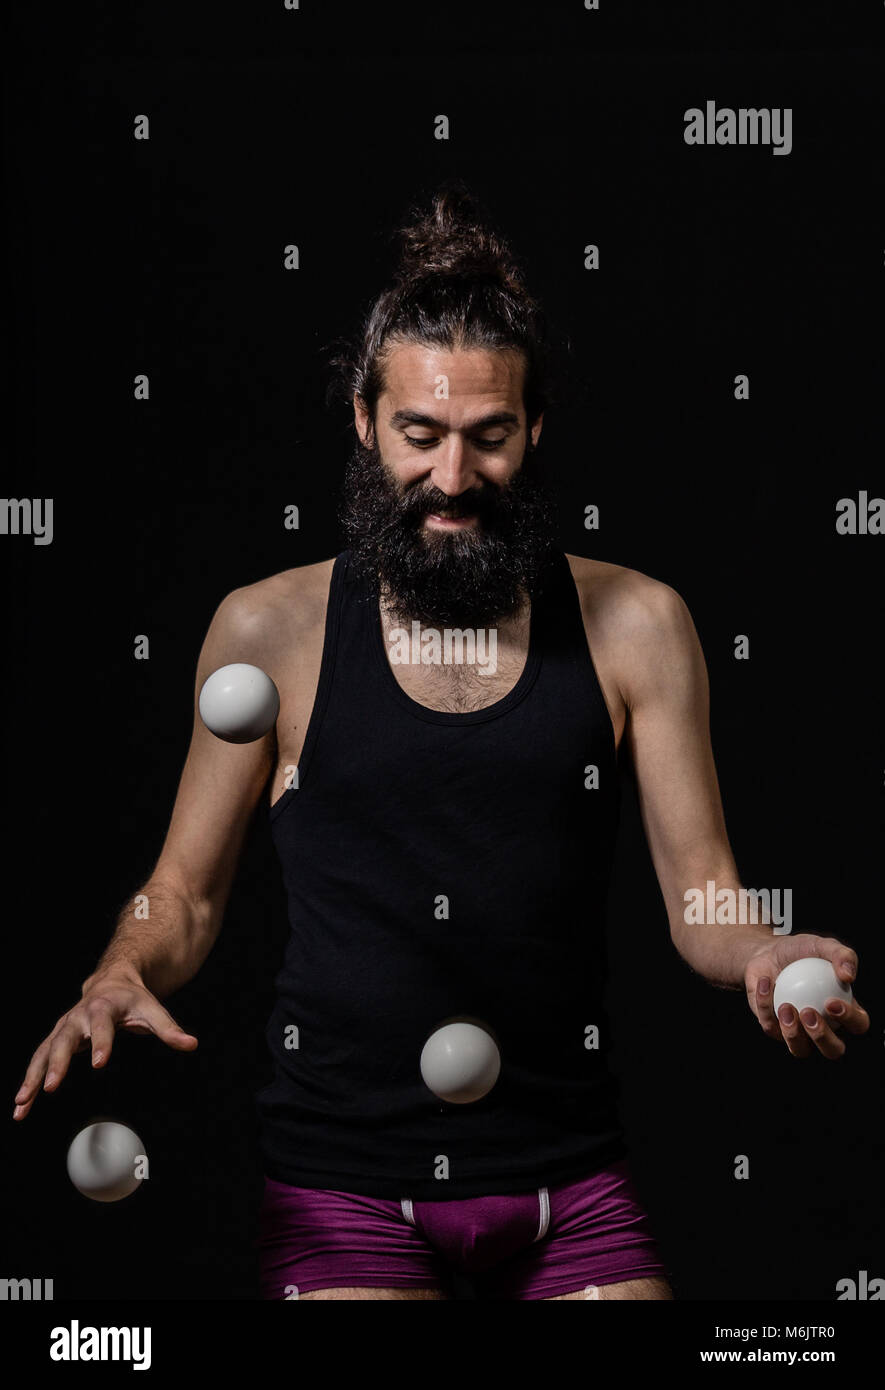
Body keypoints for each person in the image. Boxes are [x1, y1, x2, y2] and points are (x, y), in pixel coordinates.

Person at [13, 182, 869, 1301]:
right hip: (344, 1187)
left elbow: (702, 893)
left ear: (536, 428)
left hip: (570, 1181)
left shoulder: (638, 624)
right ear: (364, 420)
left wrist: (758, 949)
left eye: (490, 438)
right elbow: (185, 892)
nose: (452, 479)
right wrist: (121, 966)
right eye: (420, 435)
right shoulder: (266, 631)